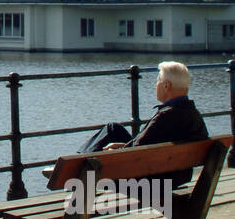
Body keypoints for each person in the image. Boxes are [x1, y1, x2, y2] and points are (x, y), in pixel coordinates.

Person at [77, 61, 209, 189]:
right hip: (175, 175)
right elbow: (148, 144)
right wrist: (124, 146)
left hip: (150, 180)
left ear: (167, 85)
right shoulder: (194, 114)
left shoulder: (165, 116)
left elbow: (137, 150)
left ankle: (77, 171)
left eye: (158, 81)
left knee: (110, 132)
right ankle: (79, 166)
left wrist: (116, 151)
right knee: (114, 129)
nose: (155, 85)